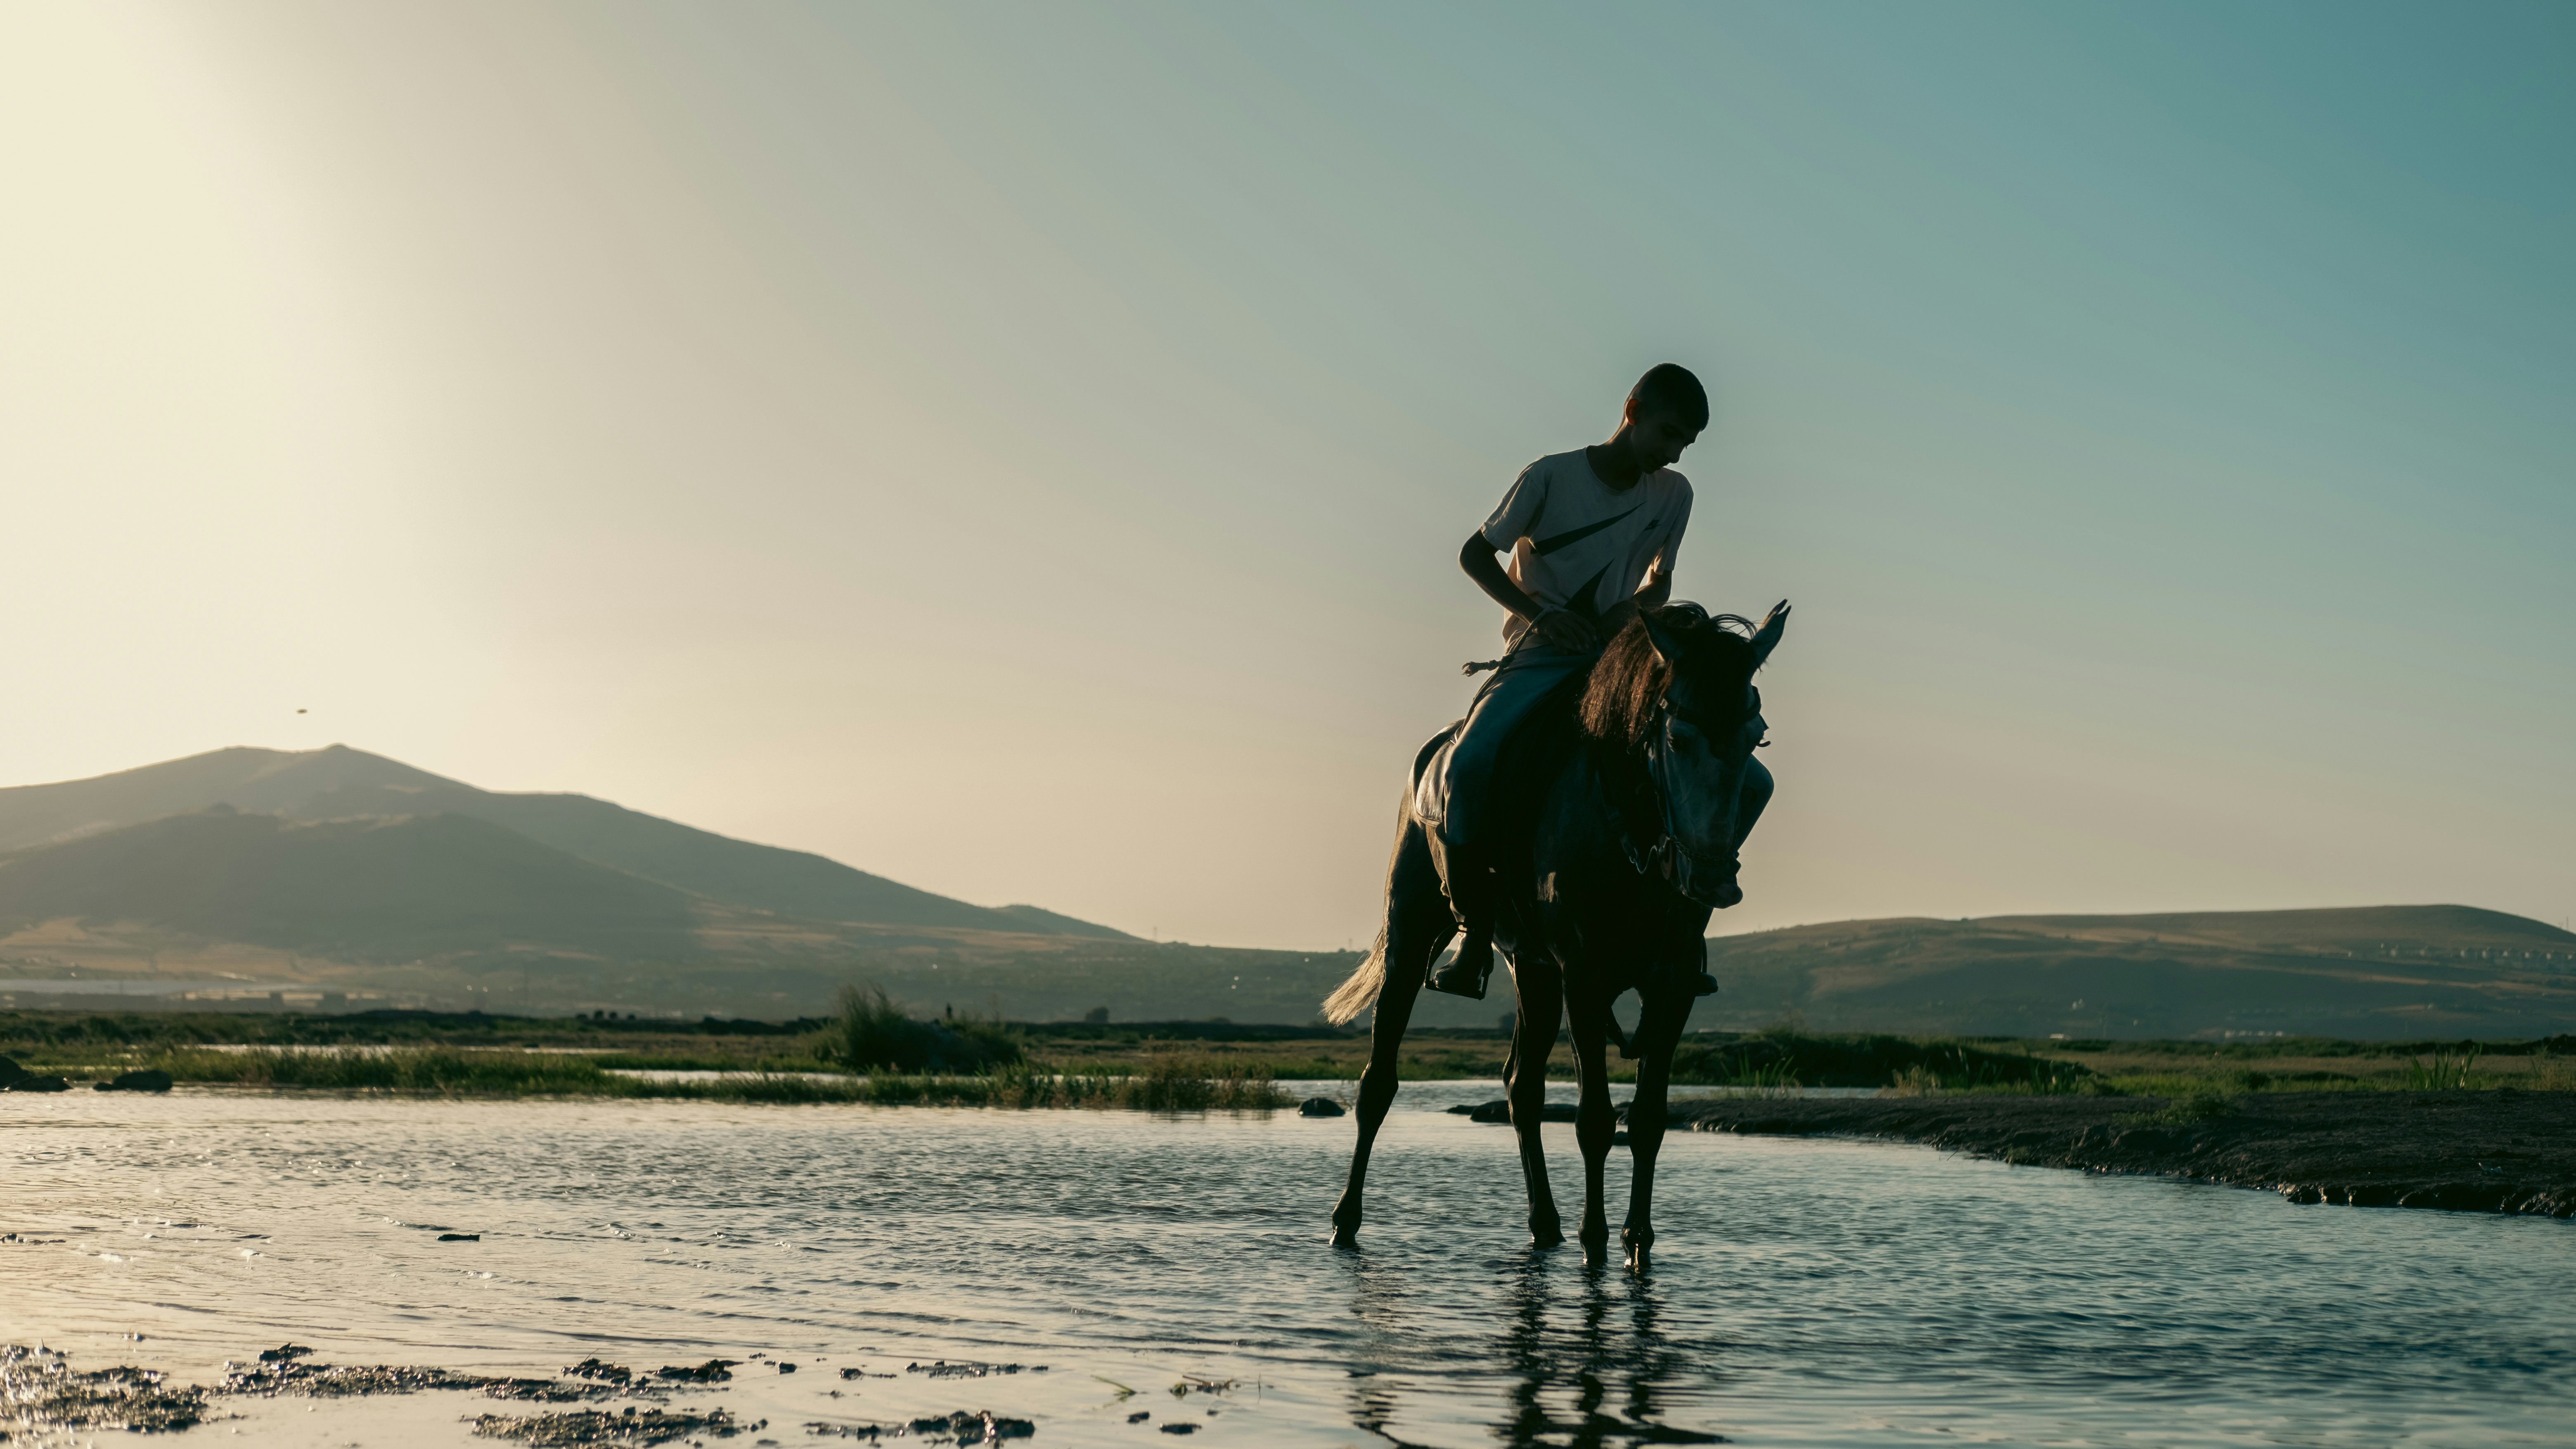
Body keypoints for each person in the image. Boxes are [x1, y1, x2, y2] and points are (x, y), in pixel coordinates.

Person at [1420, 362, 1765, 999]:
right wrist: (1540, 615)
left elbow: (1658, 582)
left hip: (1618, 661)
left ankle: (1688, 909)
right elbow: (1474, 553)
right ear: (1632, 409)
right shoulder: (1549, 475)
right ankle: (1473, 938)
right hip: (1537, 654)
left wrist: (1632, 611)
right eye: (1666, 433)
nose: (1673, 451)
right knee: (1467, 768)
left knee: (1754, 777)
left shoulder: (1675, 495)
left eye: (1685, 443)